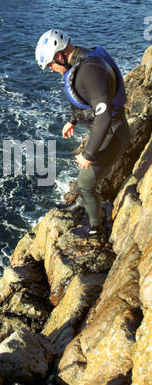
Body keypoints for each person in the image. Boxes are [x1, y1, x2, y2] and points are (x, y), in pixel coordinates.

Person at [35, 29, 131, 238]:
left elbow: (103, 117)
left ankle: (96, 227)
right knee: (82, 181)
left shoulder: (90, 70)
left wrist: (87, 154)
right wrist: (73, 120)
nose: (51, 70)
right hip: (106, 131)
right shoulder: (81, 64)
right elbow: (83, 98)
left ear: (59, 54)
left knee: (85, 184)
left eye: (50, 64)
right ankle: (80, 204)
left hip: (114, 134)